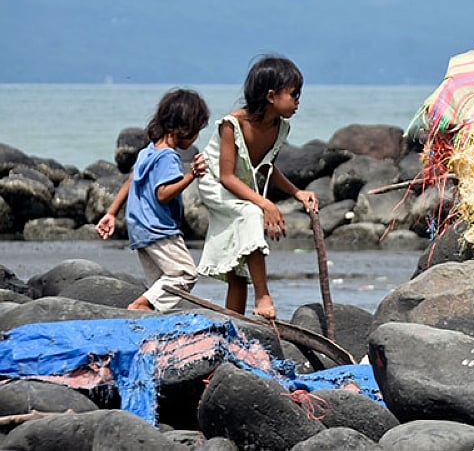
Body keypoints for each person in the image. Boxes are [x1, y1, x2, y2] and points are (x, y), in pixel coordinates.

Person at [196, 55, 318, 320]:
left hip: (243, 184)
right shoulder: (233, 124)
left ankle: (234, 322)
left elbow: (266, 168)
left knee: (237, 260)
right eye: (294, 94)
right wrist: (265, 204)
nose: (298, 101)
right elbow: (227, 176)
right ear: (271, 96)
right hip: (215, 183)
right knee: (251, 215)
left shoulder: (280, 128)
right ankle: (264, 295)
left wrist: (297, 193)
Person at [97, 89, 210, 311]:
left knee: (160, 283)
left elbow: (131, 180)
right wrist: (192, 175)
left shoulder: (147, 151)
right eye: (196, 131)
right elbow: (163, 194)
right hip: (159, 229)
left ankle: (149, 316)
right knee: (185, 274)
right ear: (183, 128)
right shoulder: (168, 157)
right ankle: (140, 307)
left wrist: (111, 213)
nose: (197, 137)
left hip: (139, 228)